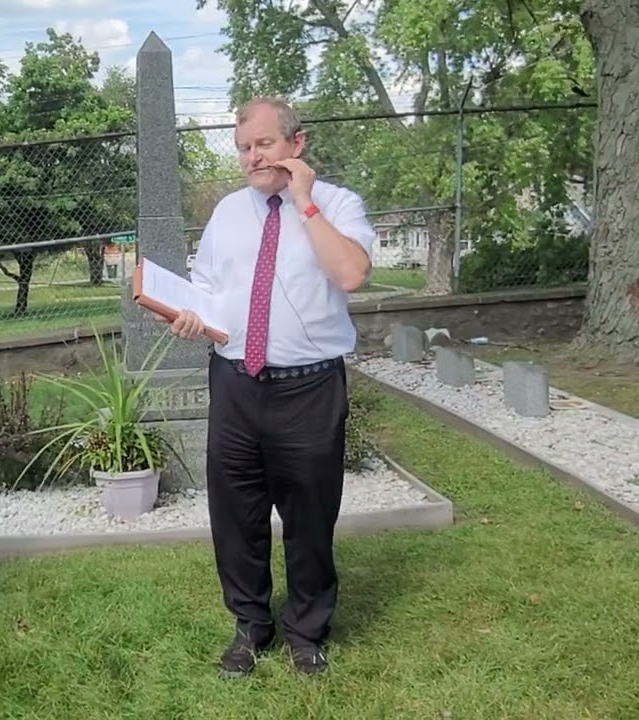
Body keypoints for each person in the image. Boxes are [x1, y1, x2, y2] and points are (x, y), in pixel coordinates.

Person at [161, 97, 376, 678]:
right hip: (235, 384)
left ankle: (307, 630)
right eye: (243, 148)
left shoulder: (337, 204)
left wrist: (304, 202)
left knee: (310, 516)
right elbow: (207, 287)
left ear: (296, 144)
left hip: (308, 390)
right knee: (236, 514)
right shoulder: (228, 212)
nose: (252, 157)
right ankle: (251, 625)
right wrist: (191, 316)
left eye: (263, 144)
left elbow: (351, 274)